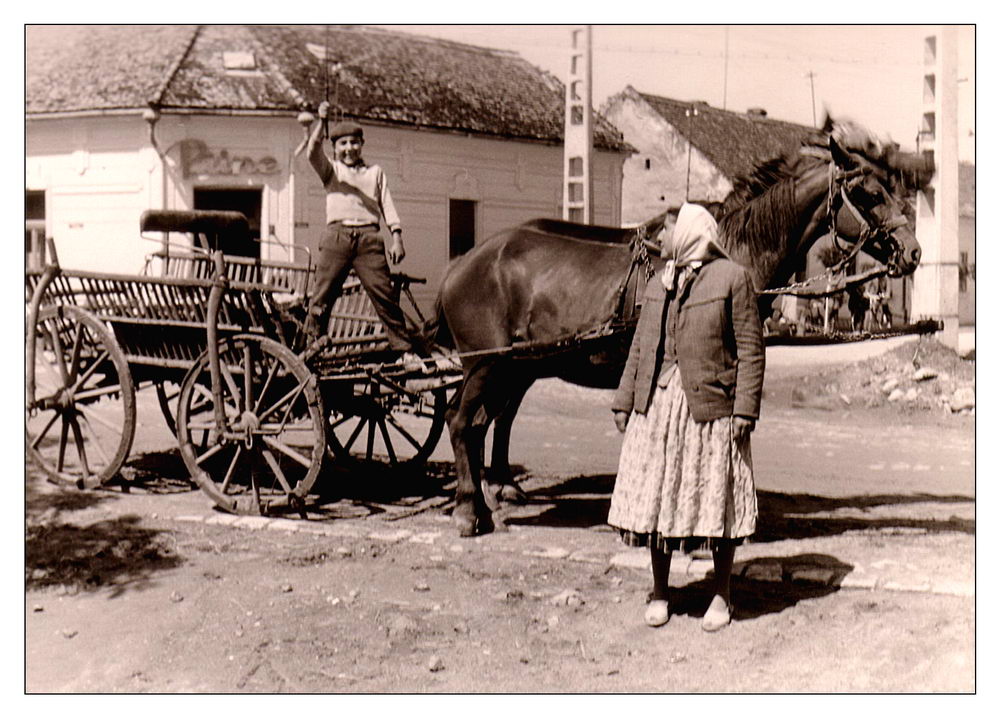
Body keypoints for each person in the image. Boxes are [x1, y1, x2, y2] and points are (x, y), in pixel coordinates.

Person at [609, 202, 765, 632]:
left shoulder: (733, 278)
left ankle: (721, 594)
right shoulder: (660, 283)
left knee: (716, 504)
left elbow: (751, 349)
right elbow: (641, 346)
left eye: (667, 230)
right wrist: (625, 400)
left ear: (691, 232)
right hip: (658, 408)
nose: (660, 239)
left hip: (711, 411)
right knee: (656, 502)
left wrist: (745, 410)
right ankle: (661, 591)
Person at [303, 101, 424, 366]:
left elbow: (387, 204)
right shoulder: (331, 170)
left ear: (362, 144)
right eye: (343, 144)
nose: (349, 149)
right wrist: (321, 123)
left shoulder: (375, 173)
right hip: (337, 237)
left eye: (354, 143)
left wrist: (397, 236)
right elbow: (312, 151)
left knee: (384, 295)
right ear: (335, 149)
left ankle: (404, 351)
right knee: (322, 296)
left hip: (369, 239)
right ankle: (311, 347)